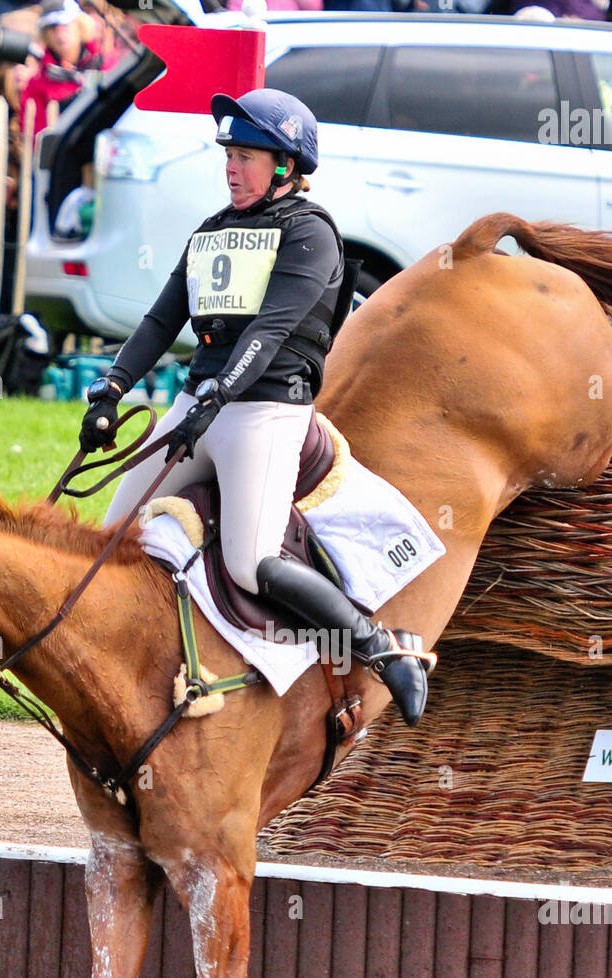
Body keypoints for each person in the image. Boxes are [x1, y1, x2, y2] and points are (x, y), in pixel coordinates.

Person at [78, 88, 433, 726]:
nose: (232, 168)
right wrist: (111, 388)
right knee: (112, 541)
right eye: (229, 156)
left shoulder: (311, 233)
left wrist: (218, 393)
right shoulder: (214, 230)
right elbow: (163, 319)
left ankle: (384, 651)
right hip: (200, 404)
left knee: (250, 561)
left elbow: (268, 332)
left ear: (286, 166)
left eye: (246, 156)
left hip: (264, 412)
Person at [18, 0, 115, 139]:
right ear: (45, 35)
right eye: (52, 27)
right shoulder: (37, 83)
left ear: (80, 26)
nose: (60, 33)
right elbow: (35, 136)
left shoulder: (107, 65)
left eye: (65, 24)